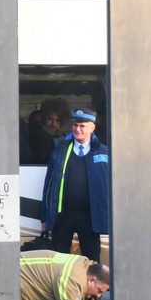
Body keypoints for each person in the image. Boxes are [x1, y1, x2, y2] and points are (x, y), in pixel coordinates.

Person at [41, 108, 110, 263]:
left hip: (90, 217)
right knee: (60, 260)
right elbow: (49, 184)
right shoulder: (60, 149)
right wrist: (45, 218)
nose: (77, 129)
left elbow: (110, 188)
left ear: (92, 128)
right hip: (63, 215)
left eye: (82, 126)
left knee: (91, 260)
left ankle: (88, 288)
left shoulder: (103, 152)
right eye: (75, 125)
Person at [26, 97, 69, 165]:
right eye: (50, 119)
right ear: (42, 118)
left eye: (58, 120)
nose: (53, 124)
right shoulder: (33, 135)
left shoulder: (63, 138)